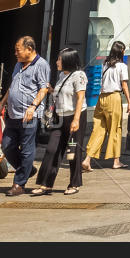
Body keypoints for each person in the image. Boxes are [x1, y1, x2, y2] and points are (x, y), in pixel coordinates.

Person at [33, 47, 87, 196]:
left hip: (75, 117)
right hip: (59, 117)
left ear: (68, 61)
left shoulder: (79, 76)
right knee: (52, 149)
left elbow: (80, 98)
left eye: (59, 60)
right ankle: (45, 184)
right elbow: (60, 94)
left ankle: (74, 184)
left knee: (73, 152)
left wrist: (76, 120)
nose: (57, 62)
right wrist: (50, 90)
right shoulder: (62, 76)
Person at [3, 36, 51, 197]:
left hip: (29, 115)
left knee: (26, 149)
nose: (15, 53)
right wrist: (2, 102)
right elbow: (13, 85)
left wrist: (33, 106)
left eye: (18, 50)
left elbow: (44, 89)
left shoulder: (41, 65)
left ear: (29, 49)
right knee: (7, 146)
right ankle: (27, 169)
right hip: (12, 114)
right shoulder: (18, 64)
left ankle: (19, 184)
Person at [84, 40, 130, 171]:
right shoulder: (122, 66)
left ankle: (87, 159)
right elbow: (124, 85)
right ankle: (116, 161)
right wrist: (129, 101)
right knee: (115, 129)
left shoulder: (105, 64)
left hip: (102, 98)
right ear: (121, 51)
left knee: (98, 129)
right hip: (114, 98)